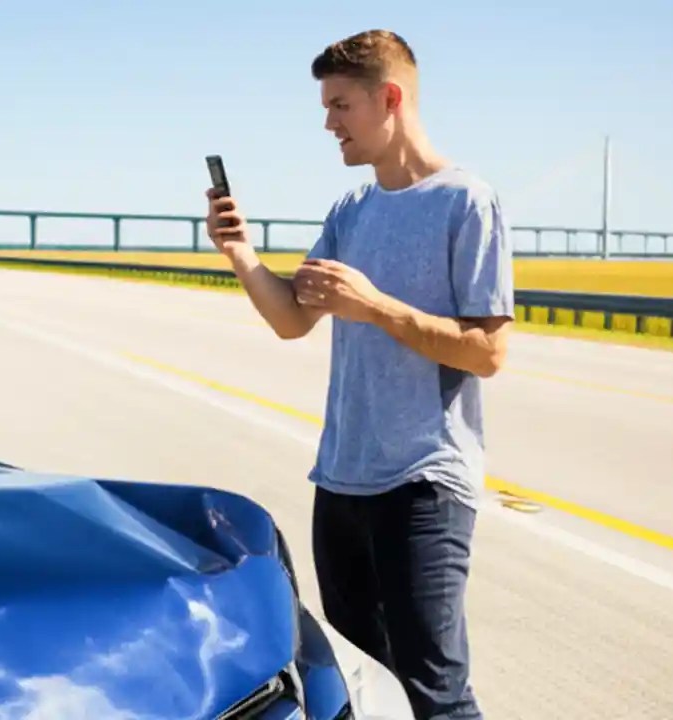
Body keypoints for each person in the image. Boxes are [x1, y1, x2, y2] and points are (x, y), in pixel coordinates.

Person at [205, 28, 513, 720]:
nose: (328, 123)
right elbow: (291, 319)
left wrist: (374, 308)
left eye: (340, 105)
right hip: (341, 478)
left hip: (424, 482)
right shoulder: (352, 210)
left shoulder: (467, 202)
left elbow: (487, 352)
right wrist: (240, 254)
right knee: (356, 684)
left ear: (390, 99)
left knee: (433, 688)